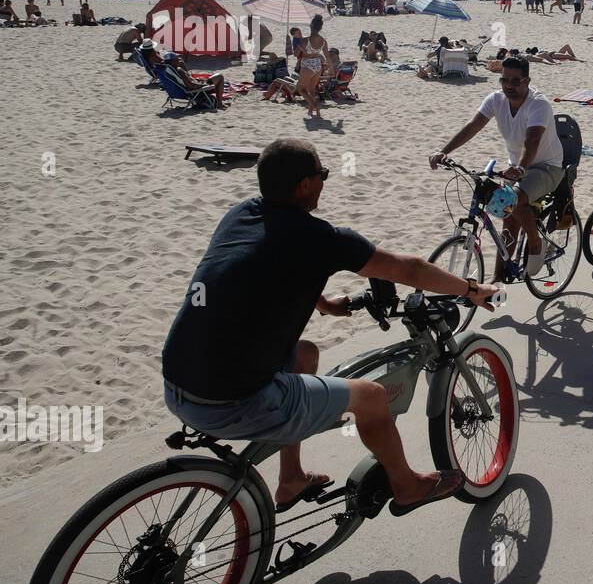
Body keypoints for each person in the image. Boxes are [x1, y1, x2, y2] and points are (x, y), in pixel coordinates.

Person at [162, 138, 499, 515]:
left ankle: (290, 477)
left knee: (304, 354)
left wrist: (323, 305)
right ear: (305, 185)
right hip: (232, 402)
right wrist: (471, 289)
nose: (324, 181)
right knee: (371, 398)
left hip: (177, 382)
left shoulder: (241, 215)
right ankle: (407, 486)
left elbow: (253, 267)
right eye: (322, 174)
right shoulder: (321, 238)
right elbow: (409, 269)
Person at [430, 56, 567, 280]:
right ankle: (497, 279)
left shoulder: (538, 104)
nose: (509, 86)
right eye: (504, 80)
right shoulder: (496, 99)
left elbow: (531, 141)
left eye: (515, 81)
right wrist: (444, 151)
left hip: (546, 166)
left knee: (514, 200)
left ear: (527, 80)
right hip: (517, 167)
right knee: (507, 217)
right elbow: (473, 125)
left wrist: (521, 169)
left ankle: (535, 242)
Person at [163, 51, 228, 108]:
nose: (179, 59)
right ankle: (219, 103)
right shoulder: (179, 70)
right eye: (176, 58)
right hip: (196, 91)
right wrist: (203, 85)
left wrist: (183, 65)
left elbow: (187, 79)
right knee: (220, 77)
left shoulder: (169, 70)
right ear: (172, 61)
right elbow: (191, 85)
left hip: (192, 88)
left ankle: (218, 102)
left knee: (216, 77)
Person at [297, 14, 328, 118]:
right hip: (317, 66)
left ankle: (315, 107)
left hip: (307, 65)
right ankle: (311, 111)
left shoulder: (305, 40)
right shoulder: (323, 41)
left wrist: (297, 45)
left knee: (301, 90)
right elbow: (327, 56)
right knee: (311, 90)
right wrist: (331, 70)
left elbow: (296, 54)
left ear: (311, 25)